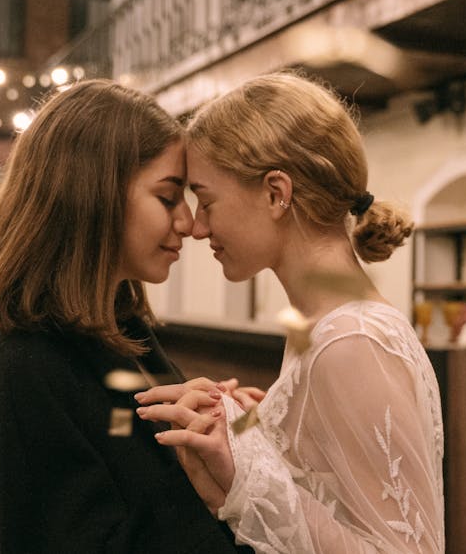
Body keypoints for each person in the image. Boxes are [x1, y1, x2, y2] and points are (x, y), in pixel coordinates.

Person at [137, 72, 445, 553]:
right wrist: (255, 431)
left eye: (207, 200)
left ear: (277, 193)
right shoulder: (325, 326)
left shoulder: (352, 341)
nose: (197, 227)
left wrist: (247, 474)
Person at [0, 79, 248, 553]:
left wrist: (206, 427)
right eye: (168, 197)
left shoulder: (123, 330)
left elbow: (128, 465)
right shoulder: (20, 369)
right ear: (93, 193)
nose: (189, 223)